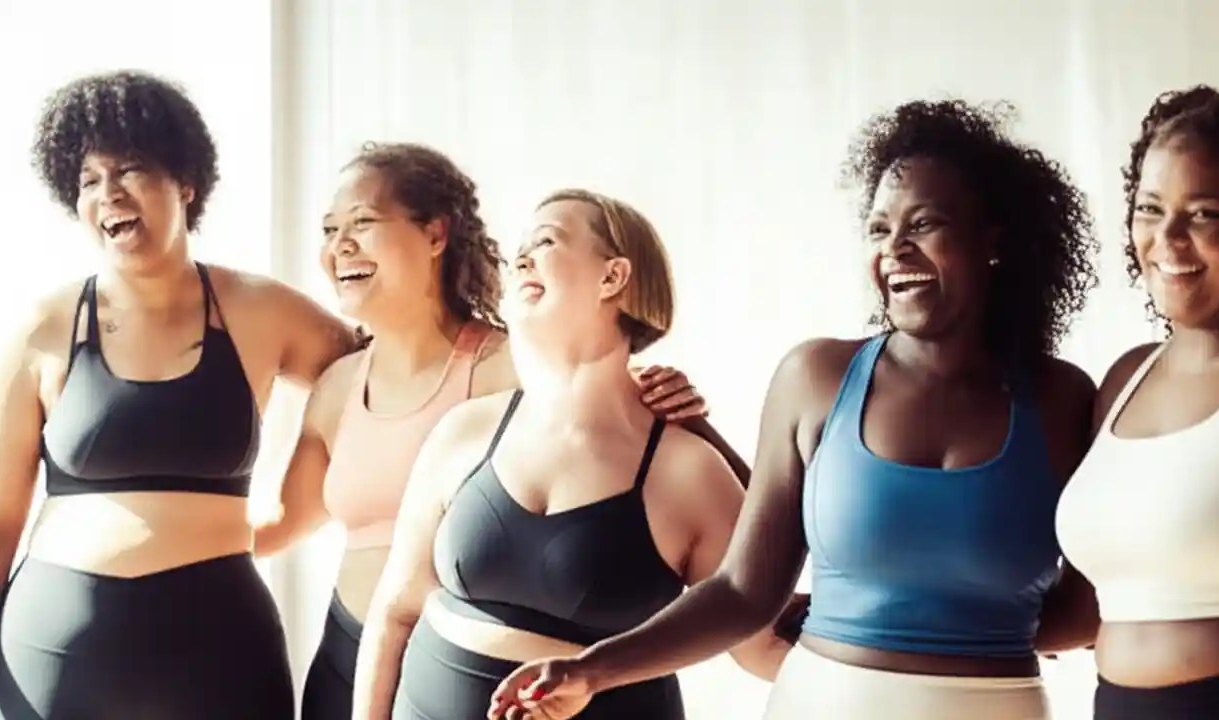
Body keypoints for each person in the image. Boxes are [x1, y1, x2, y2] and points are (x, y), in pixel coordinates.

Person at [487, 99, 1102, 720]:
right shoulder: (815, 379)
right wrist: (590, 670)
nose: (895, 249)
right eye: (879, 230)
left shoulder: (1064, 401)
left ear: (993, 241)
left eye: (925, 225)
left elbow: (1090, 608)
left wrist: (974, 624)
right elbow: (742, 592)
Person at [250, 142, 718, 719]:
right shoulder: (341, 385)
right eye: (329, 228)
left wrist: (686, 421)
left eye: (363, 223)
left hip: (527, 669)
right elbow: (277, 527)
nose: (339, 243)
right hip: (354, 646)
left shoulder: (514, 368)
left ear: (436, 235)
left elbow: (743, 577)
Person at [351, 189, 795, 720]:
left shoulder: (685, 470)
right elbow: (394, 613)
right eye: (518, 250)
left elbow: (759, 645)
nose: (520, 259)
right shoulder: (464, 432)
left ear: (612, 278)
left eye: (545, 241)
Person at [0, 71, 357, 719]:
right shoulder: (42, 328)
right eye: (88, 180)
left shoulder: (263, 310)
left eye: (129, 170)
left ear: (185, 183)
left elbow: (388, 382)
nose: (108, 194)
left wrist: (309, 511)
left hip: (221, 646)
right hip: (58, 652)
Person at [1054, 72, 1219, 719]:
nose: (1169, 240)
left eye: (1205, 214)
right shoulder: (1125, 380)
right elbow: (1081, 606)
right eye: (1151, 209)